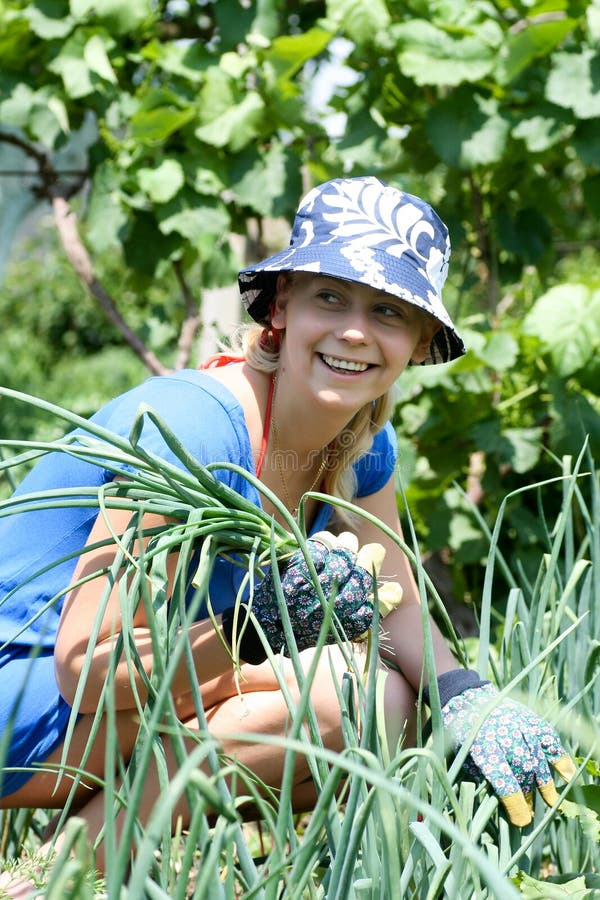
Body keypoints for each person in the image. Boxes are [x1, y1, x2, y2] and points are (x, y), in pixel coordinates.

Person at [0, 176, 575, 890]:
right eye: (329, 297)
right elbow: (87, 670)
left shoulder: (363, 444)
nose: (356, 329)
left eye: (388, 311)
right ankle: (55, 875)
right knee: (343, 689)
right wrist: (255, 628)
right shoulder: (197, 429)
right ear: (280, 307)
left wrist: (465, 695)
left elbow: (394, 596)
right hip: (20, 698)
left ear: (421, 340)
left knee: (389, 712)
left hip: (117, 712)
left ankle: (113, 851)